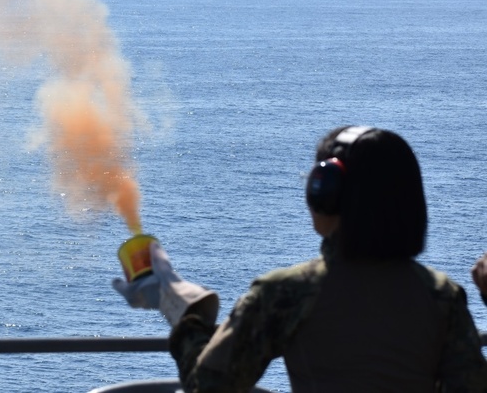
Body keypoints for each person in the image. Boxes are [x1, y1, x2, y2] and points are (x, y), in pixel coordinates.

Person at [114, 126, 487, 392]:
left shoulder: (287, 293)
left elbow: (208, 387)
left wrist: (181, 305)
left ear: (326, 193)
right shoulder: (442, 296)